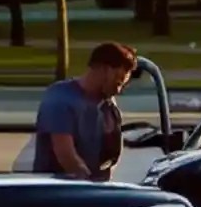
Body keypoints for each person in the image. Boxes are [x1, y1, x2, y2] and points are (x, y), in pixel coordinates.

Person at [33, 42, 137, 181]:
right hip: (55, 188)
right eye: (117, 83)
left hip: (92, 189)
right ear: (104, 69)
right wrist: (90, 186)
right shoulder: (61, 98)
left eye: (122, 85)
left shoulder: (108, 105)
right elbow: (66, 155)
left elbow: (111, 154)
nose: (118, 91)